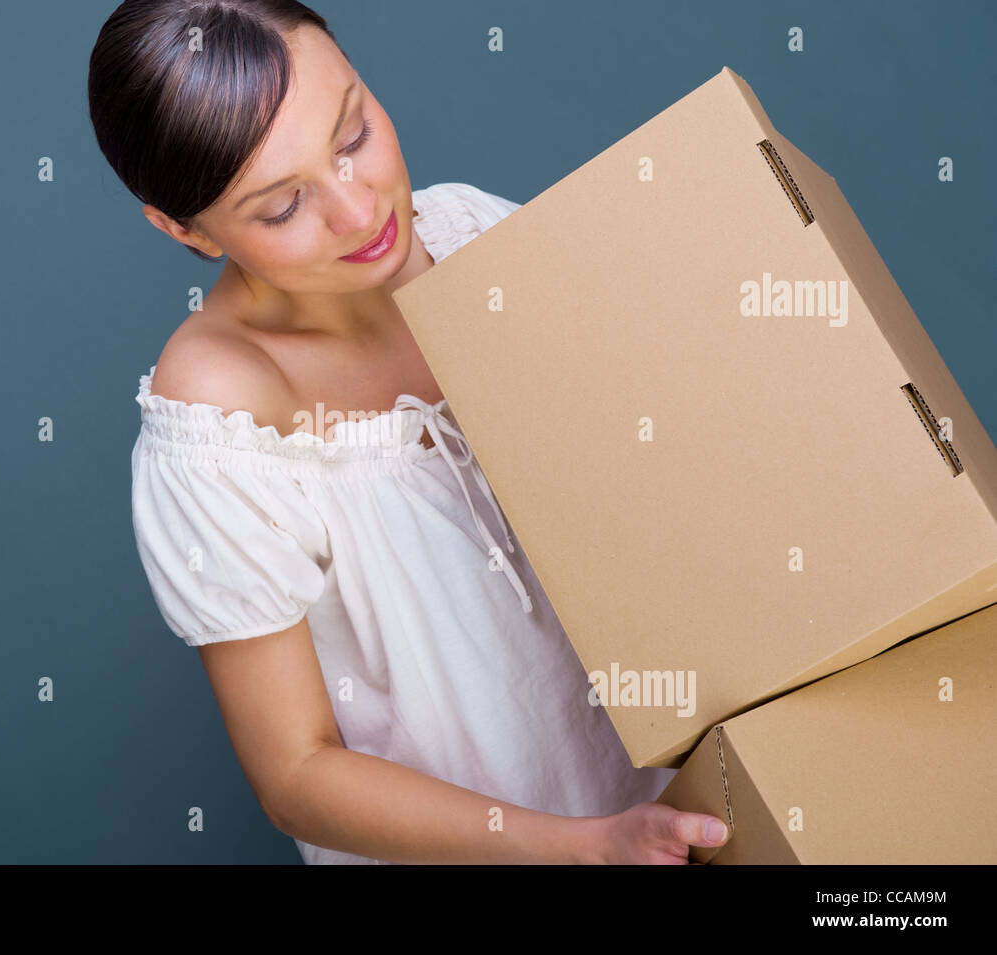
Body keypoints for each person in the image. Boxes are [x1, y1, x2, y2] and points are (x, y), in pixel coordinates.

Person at [88, 0, 731, 864]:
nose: (360, 213)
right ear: (183, 229)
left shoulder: (469, 233)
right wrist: (584, 848)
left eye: (352, 135)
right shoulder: (220, 418)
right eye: (282, 207)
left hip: (681, 796)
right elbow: (296, 773)